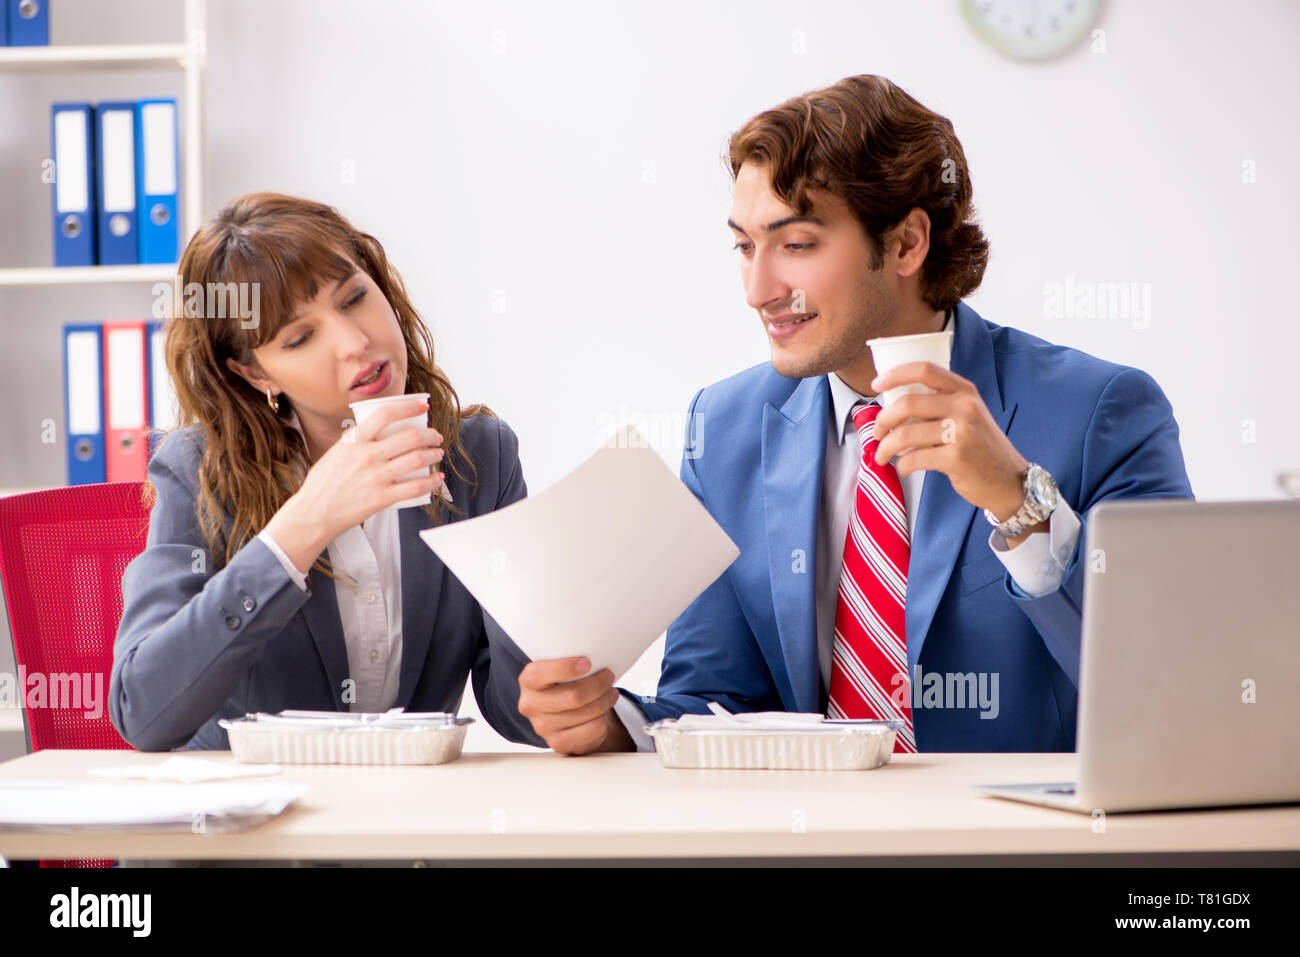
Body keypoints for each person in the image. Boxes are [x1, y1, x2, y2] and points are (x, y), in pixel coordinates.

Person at [518, 74, 1194, 754]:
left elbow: (1173, 683)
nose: (759, 290)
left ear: (905, 243)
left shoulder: (1100, 411)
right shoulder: (724, 428)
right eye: (745, 246)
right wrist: (612, 726)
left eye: (797, 244)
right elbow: (714, 702)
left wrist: (1020, 504)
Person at [110, 193, 544, 751]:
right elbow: (142, 712)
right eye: (299, 338)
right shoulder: (198, 470)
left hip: (409, 825)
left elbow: (521, 710)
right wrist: (304, 525)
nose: (355, 343)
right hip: (254, 830)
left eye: (356, 298)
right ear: (254, 372)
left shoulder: (479, 459)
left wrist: (559, 657)